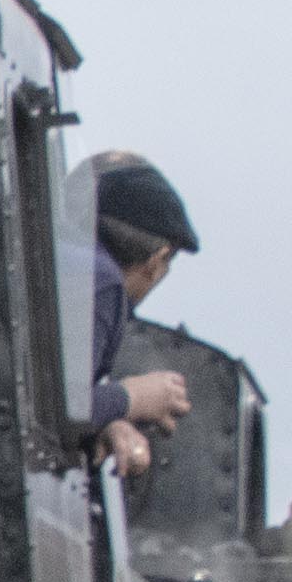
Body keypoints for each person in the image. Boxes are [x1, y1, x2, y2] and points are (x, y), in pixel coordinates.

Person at [84, 153, 200, 478]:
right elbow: (53, 410)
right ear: (157, 260)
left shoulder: (71, 264)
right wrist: (133, 396)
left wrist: (109, 423)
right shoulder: (101, 281)